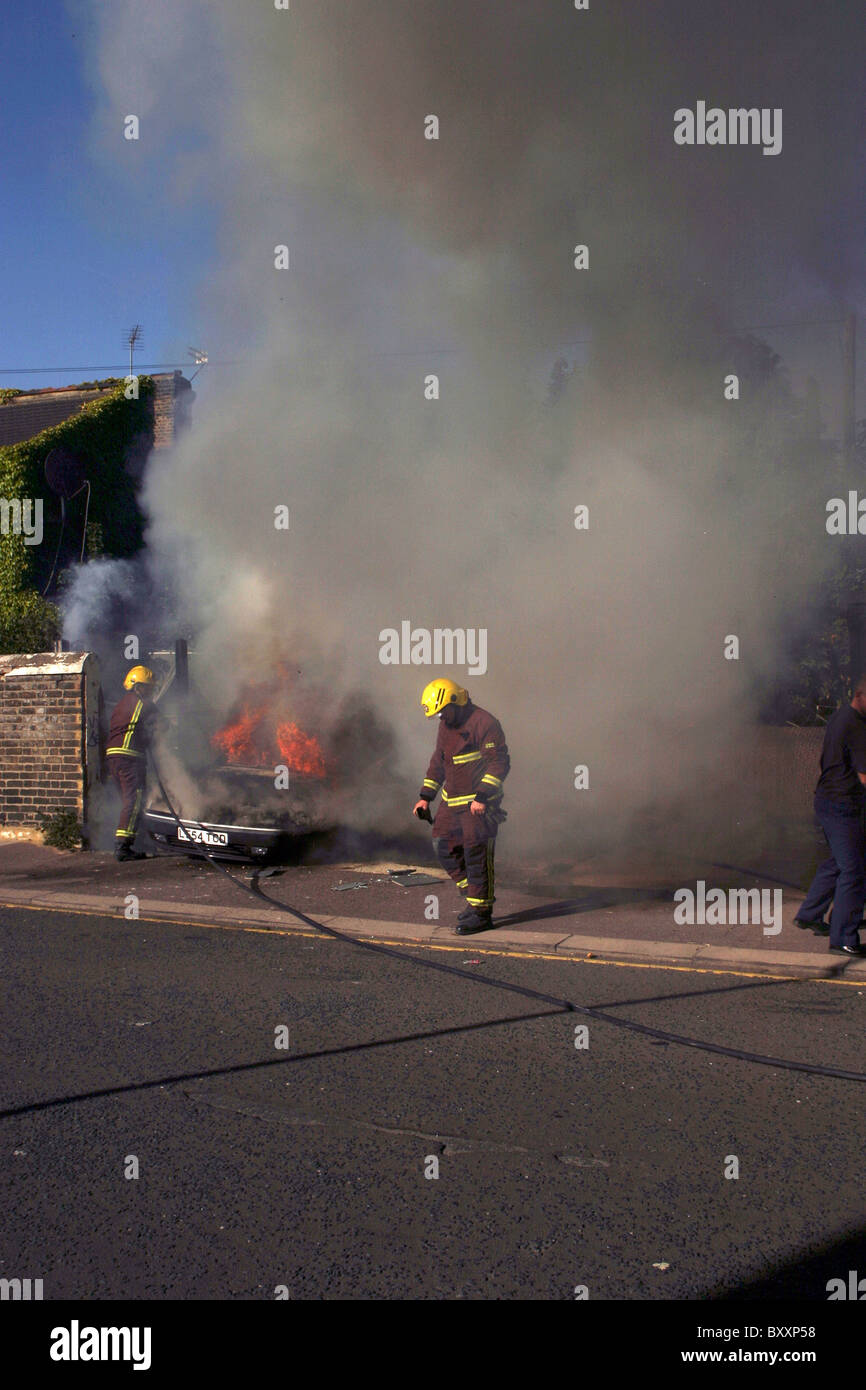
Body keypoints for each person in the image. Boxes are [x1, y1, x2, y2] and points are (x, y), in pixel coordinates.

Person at [413, 677, 509, 935]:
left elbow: (498, 764)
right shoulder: (447, 725)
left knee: (475, 855)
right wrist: (426, 796)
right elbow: (439, 761)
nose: (441, 717)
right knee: (442, 845)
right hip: (451, 801)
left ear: (456, 701)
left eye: (443, 711)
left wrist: (482, 797)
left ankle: (481, 914)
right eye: (438, 714)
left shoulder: (485, 723)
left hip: (478, 805)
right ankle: (473, 896)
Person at [794, 674, 866, 956]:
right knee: (854, 870)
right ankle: (843, 938)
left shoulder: (840, 716)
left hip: (828, 801)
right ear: (860, 695)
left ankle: (809, 914)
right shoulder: (855, 725)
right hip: (842, 806)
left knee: (838, 862)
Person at [106, 665, 160, 862]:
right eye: (149, 687)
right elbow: (162, 725)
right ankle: (123, 847)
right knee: (134, 800)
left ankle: (135, 840)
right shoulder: (145, 704)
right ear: (138, 687)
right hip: (129, 758)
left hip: (113, 756)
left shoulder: (121, 704)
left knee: (128, 801)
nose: (151, 691)